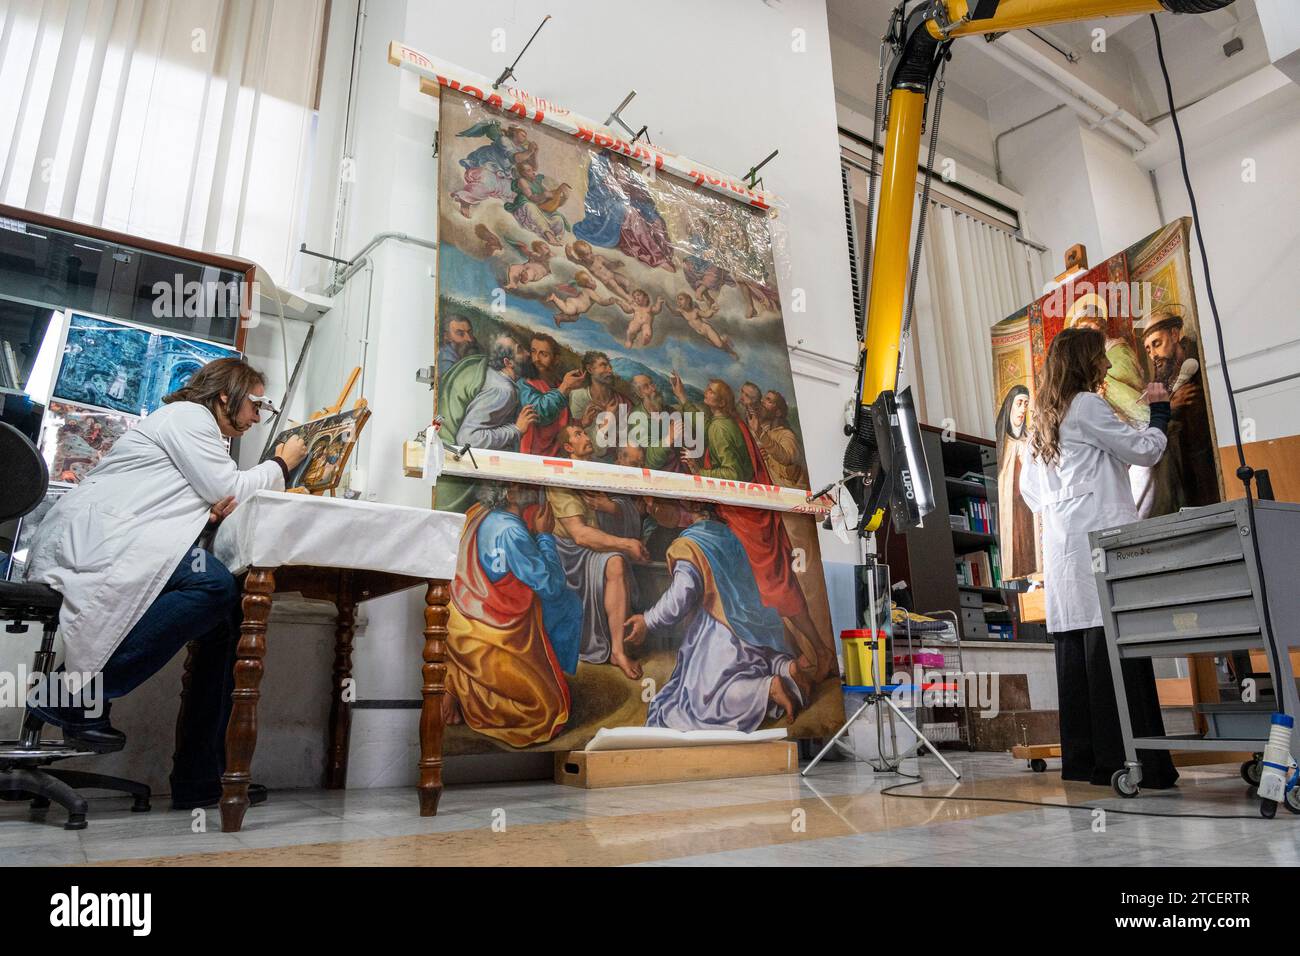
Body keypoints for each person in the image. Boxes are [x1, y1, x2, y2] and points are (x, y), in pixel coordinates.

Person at [23, 358, 308, 809]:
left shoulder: (197, 430)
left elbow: (208, 495)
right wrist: (281, 463)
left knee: (224, 622)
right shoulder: (188, 417)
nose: (257, 416)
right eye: (256, 404)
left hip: (130, 538)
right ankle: (71, 692)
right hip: (101, 540)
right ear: (223, 397)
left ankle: (200, 780)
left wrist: (209, 508)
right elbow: (228, 488)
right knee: (213, 586)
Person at [1019, 327, 1178, 790]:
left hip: (1065, 544)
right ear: (1085, 363)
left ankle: (1089, 760)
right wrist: (1160, 409)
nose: (1108, 366)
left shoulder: (1042, 421)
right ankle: (1132, 761)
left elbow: (1032, 493)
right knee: (1114, 645)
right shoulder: (1086, 405)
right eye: (1100, 359)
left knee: (1077, 650)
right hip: (1100, 537)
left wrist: (1086, 481)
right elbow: (1144, 450)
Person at [626, 500, 810, 730]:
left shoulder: (689, 544)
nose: (651, 508)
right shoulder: (726, 534)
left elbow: (681, 596)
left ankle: (767, 688)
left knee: (702, 699)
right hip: (753, 628)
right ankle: (785, 668)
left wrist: (648, 620)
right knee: (752, 665)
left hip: (721, 632)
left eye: (656, 502)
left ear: (683, 504)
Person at [442, 482, 582, 748]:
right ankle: (549, 674)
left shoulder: (479, 513)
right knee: (546, 711)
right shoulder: (511, 531)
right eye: (521, 485)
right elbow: (550, 586)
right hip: (494, 623)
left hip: (465, 610)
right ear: (509, 493)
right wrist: (544, 536)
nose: (531, 487)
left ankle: (460, 683)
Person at [545, 425, 649, 680]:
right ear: (568, 447)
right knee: (616, 560)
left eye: (584, 432)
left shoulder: (597, 470)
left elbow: (626, 507)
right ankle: (616, 651)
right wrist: (626, 543)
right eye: (578, 435)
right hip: (570, 554)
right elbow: (580, 534)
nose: (586, 437)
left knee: (616, 563)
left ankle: (617, 651)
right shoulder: (562, 477)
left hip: (591, 548)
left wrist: (612, 508)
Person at [455, 335, 536, 451]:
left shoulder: (494, 375)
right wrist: (516, 429)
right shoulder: (503, 391)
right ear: (508, 363)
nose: (528, 354)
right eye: (520, 350)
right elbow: (467, 438)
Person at [994, 384, 1037, 578]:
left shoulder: (1029, 439)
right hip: (1011, 505)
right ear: (1010, 405)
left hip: (1029, 504)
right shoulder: (1002, 440)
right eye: (1019, 403)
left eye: (1026, 404)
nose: (1022, 409)